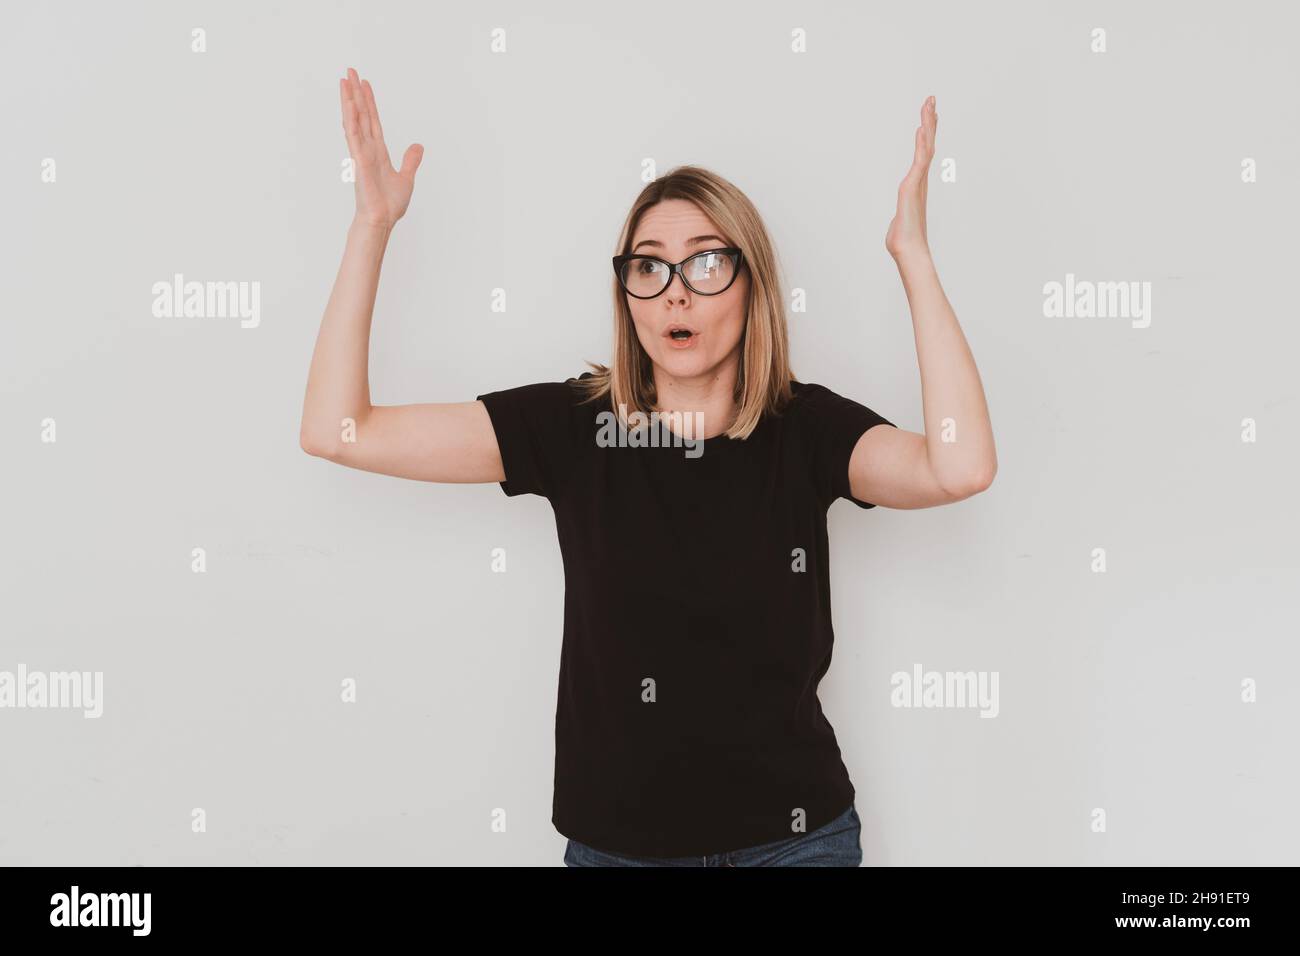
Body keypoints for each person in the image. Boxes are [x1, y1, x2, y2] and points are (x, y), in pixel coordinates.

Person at [300, 68, 997, 867]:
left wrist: (912, 256)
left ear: (751, 283)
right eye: (649, 267)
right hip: (617, 850)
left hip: (794, 846)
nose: (677, 294)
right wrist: (372, 225)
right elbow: (337, 430)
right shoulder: (571, 428)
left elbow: (960, 466)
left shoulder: (805, 430)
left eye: (706, 263)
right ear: (627, 291)